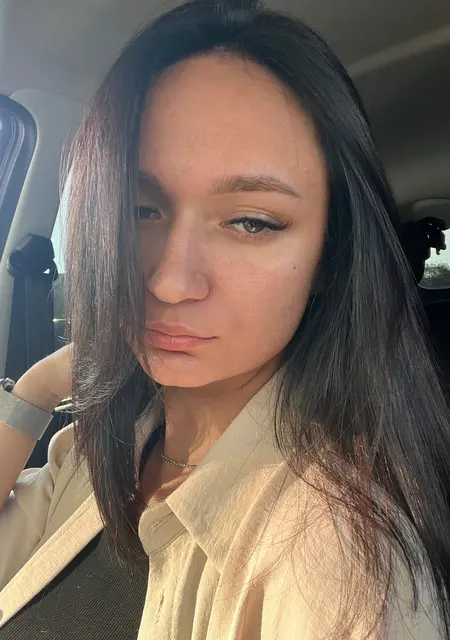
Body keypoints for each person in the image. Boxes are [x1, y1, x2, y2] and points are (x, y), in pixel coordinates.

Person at [0, 0, 449, 637]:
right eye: (140, 210)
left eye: (251, 222)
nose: (168, 282)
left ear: (331, 256)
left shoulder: (334, 559)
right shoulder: (108, 446)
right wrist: (36, 389)